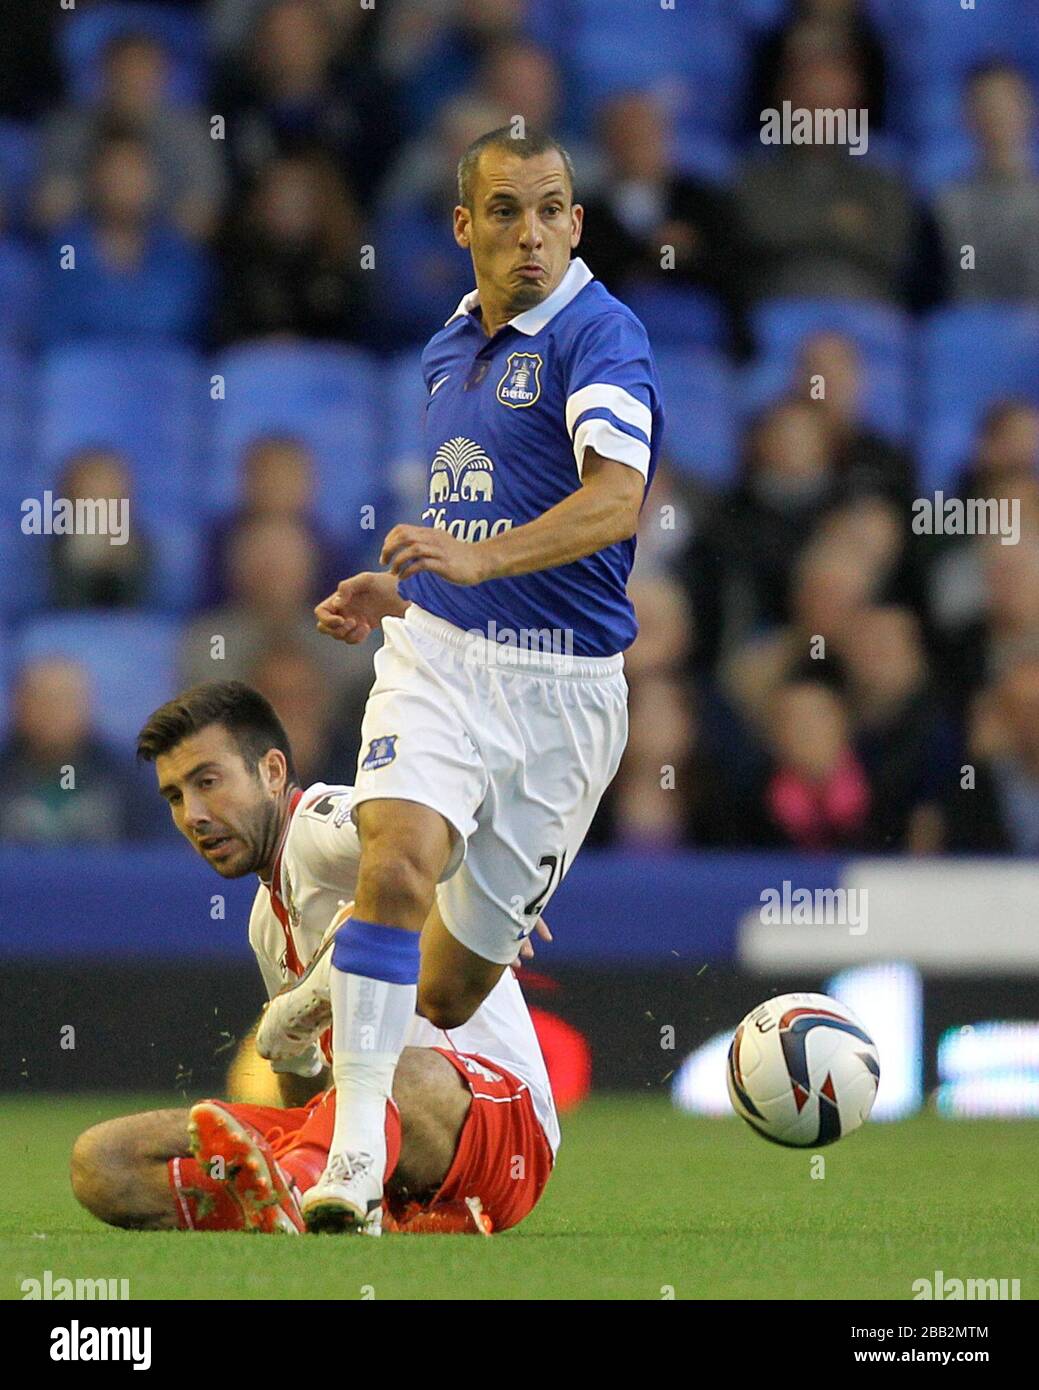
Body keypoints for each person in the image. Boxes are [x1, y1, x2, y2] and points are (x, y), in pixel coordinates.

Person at [309, 126, 662, 1231]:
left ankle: (323, 979)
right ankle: (352, 1158)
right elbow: (469, 524)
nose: (532, 233)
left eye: (553, 208)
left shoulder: (603, 335)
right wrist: (408, 591)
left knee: (450, 990)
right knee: (399, 864)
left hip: (565, 698)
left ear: (577, 222)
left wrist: (480, 558)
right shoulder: (445, 346)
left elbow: (616, 501)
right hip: (441, 659)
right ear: (463, 225)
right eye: (506, 210)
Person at [71, 681, 558, 1237]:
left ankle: (297, 1189)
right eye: (176, 797)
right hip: (372, 1145)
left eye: (208, 782)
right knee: (104, 1161)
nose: (195, 815)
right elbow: (310, 1100)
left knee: (388, 1075)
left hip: (498, 1125)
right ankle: (318, 1203)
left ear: (273, 773)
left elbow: (414, 833)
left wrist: (486, 894)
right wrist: (293, 1052)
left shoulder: (321, 824)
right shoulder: (264, 924)